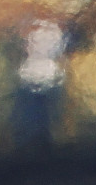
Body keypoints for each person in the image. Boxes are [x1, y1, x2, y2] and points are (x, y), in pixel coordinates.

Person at [13, 11, 67, 150]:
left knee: (39, 118)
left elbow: (51, 51)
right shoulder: (53, 33)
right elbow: (56, 51)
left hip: (42, 77)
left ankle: (37, 143)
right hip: (38, 77)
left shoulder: (45, 33)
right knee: (38, 118)